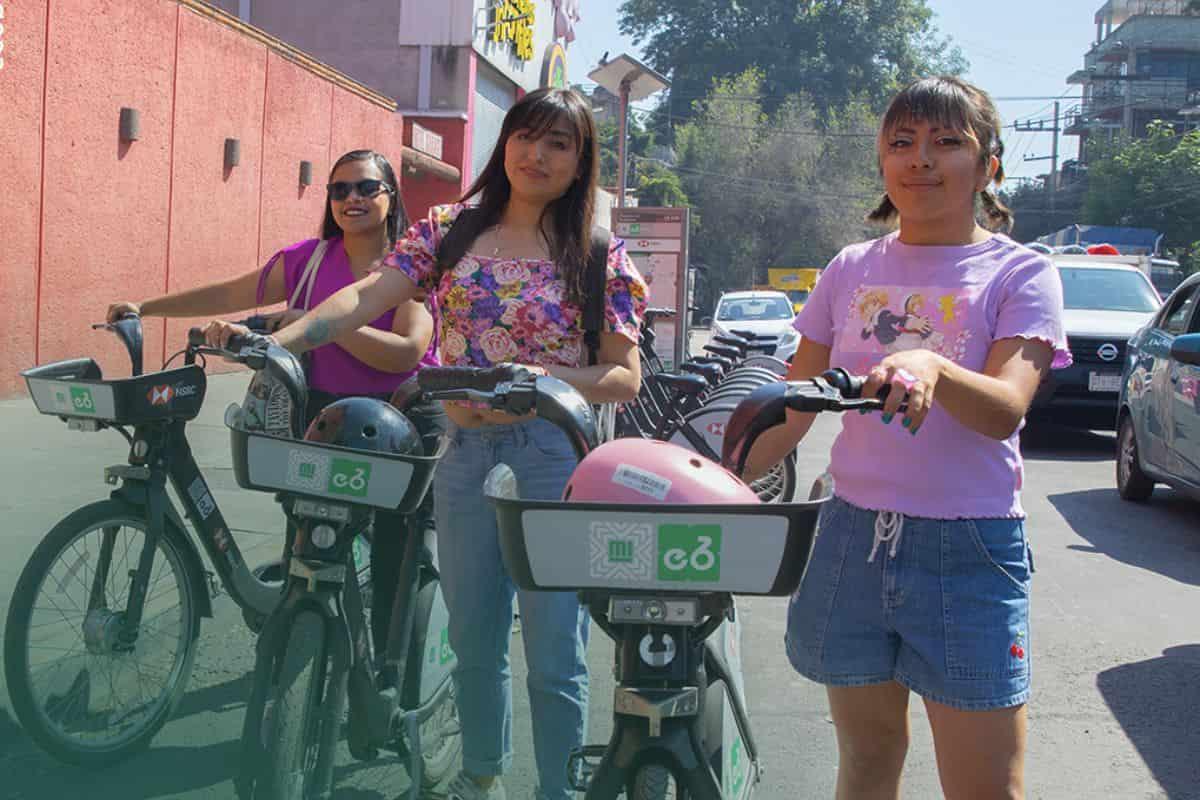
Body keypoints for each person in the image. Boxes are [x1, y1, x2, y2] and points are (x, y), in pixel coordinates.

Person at [257, 88, 647, 800]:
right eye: (527, 136)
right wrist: (280, 344)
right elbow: (364, 297)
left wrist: (543, 376)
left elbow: (623, 376)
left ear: (580, 159)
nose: (538, 154)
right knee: (474, 636)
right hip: (462, 456)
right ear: (505, 145)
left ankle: (557, 791)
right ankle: (481, 776)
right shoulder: (451, 229)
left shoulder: (596, 253)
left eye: (560, 142)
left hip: (551, 456)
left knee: (556, 650)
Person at [749, 76, 1068, 800]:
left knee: (985, 788)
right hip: (851, 538)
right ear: (883, 163)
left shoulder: (1022, 272)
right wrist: (710, 476)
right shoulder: (851, 269)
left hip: (969, 548)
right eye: (902, 142)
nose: (920, 159)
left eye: (947, 142)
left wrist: (931, 364)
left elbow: (1004, 409)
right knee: (866, 764)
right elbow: (792, 410)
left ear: (989, 166)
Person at [109, 149, 441, 667]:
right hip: (326, 415)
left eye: (365, 188)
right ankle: (293, 660)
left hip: (398, 418)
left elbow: (407, 352)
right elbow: (229, 290)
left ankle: (387, 681)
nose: (351, 199)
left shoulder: (406, 265)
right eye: (339, 190)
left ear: (390, 195)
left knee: (397, 553)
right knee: (305, 537)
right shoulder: (308, 261)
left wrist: (318, 325)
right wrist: (146, 308)